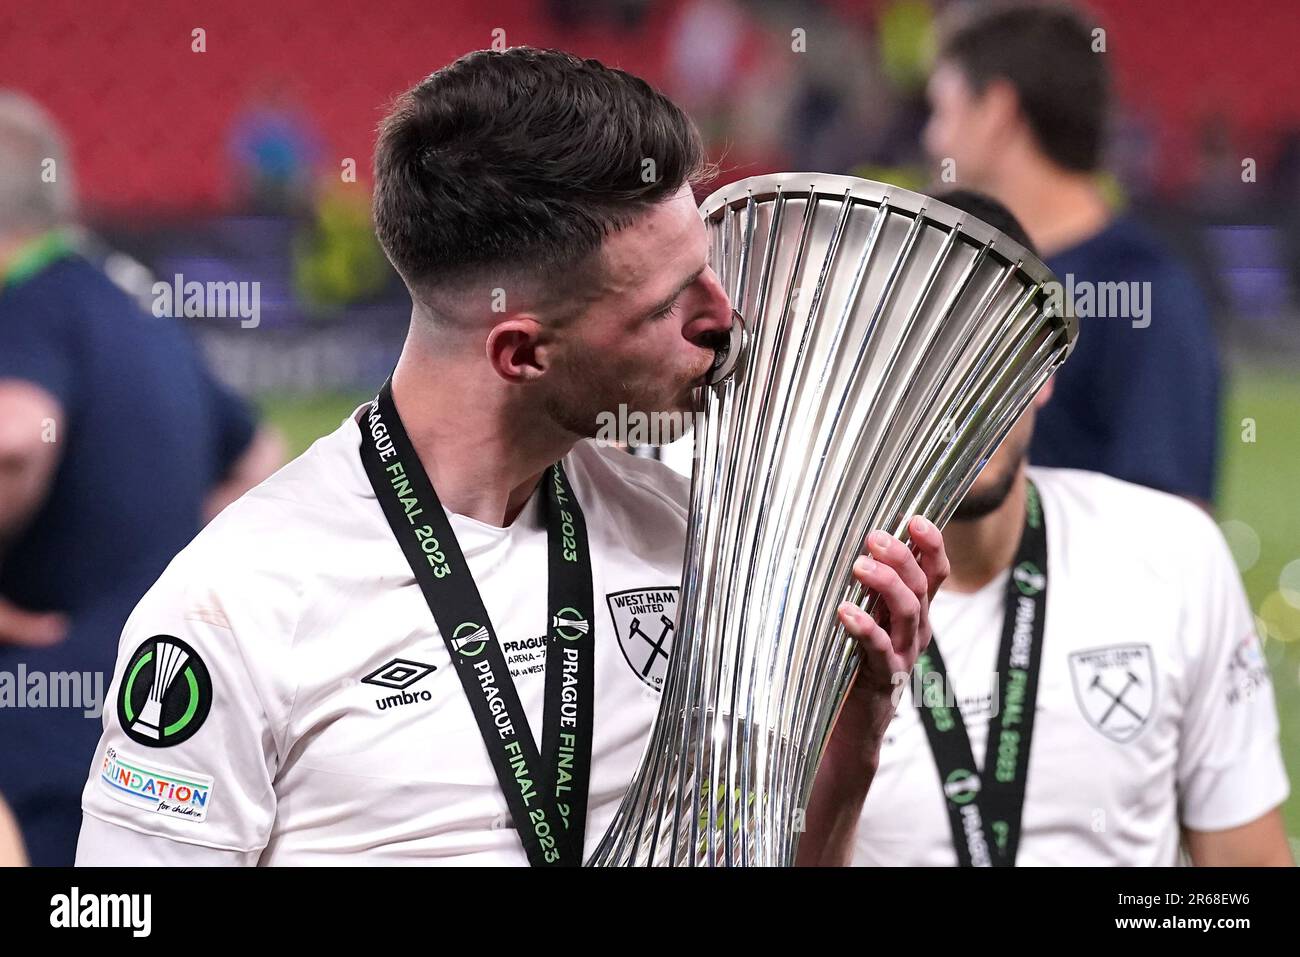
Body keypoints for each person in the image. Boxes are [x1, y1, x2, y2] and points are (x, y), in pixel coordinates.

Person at [74, 48, 949, 867]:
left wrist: (854, 731)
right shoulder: (237, 602)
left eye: (708, 269)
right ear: (521, 353)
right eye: (667, 304)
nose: (723, 319)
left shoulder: (697, 531)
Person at [852, 191, 1291, 867]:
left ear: (1047, 369)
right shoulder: (801, 612)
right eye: (931, 359)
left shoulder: (1174, 553)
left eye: (996, 355)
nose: (967, 402)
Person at [0, 91, 283, 865]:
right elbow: (263, 457)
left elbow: (16, 438)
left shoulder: (26, 305)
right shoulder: (137, 305)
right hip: (157, 699)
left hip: (35, 711)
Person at [922, 1, 1221, 506]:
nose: (932, 138)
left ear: (996, 111)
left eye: (942, 112)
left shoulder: (1145, 295)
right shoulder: (956, 273)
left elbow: (1172, 537)